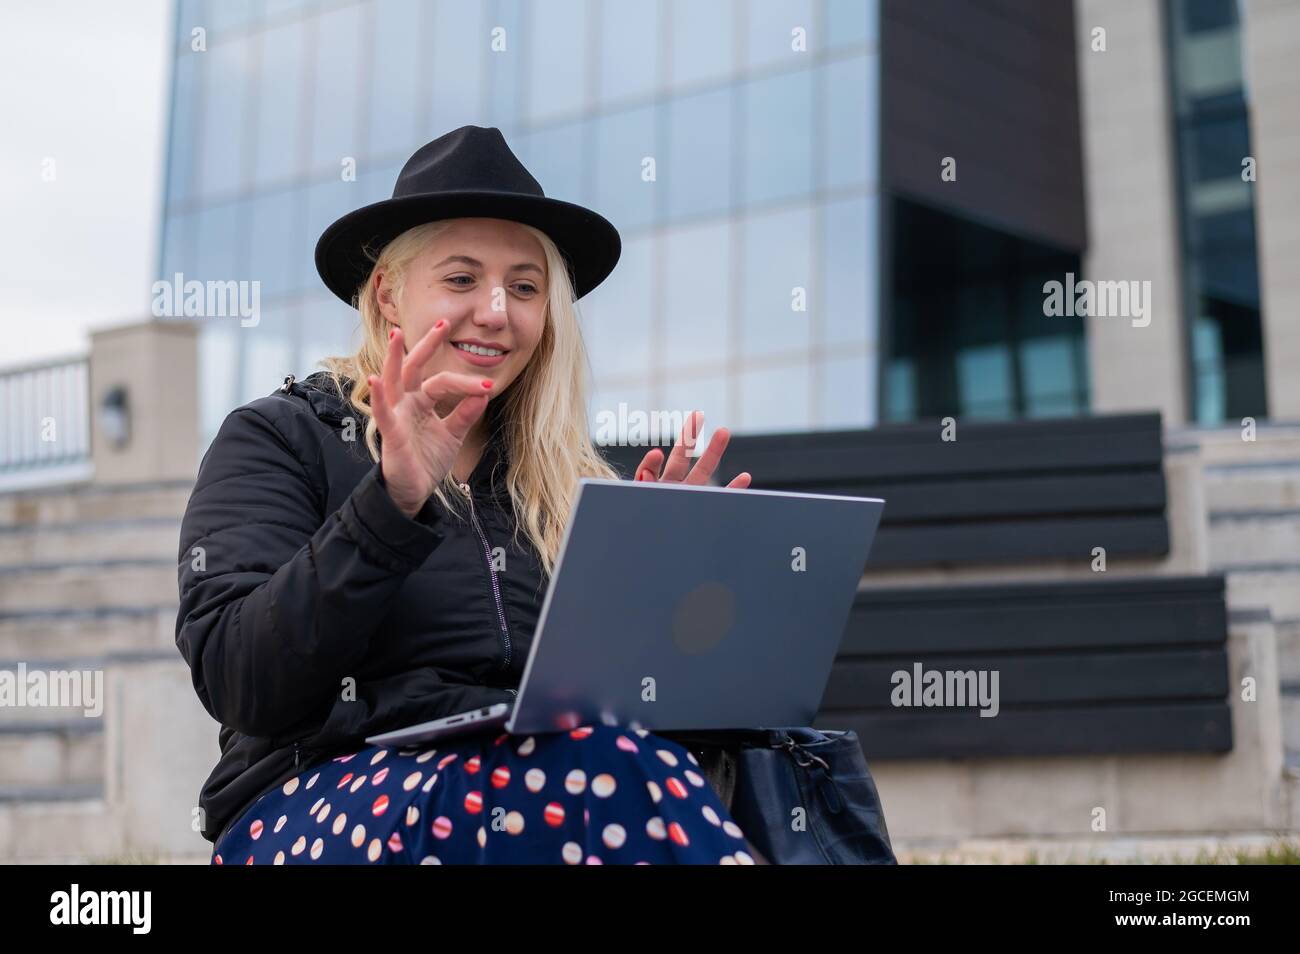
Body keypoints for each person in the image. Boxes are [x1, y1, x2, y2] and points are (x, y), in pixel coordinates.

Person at [175, 125, 765, 864]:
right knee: (601, 778)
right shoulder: (281, 439)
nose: (496, 310)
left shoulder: (562, 482)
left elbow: (638, 721)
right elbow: (242, 679)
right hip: (313, 809)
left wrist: (669, 590)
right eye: (461, 280)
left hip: (547, 792)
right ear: (389, 294)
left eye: (524, 287)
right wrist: (388, 504)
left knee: (651, 769)